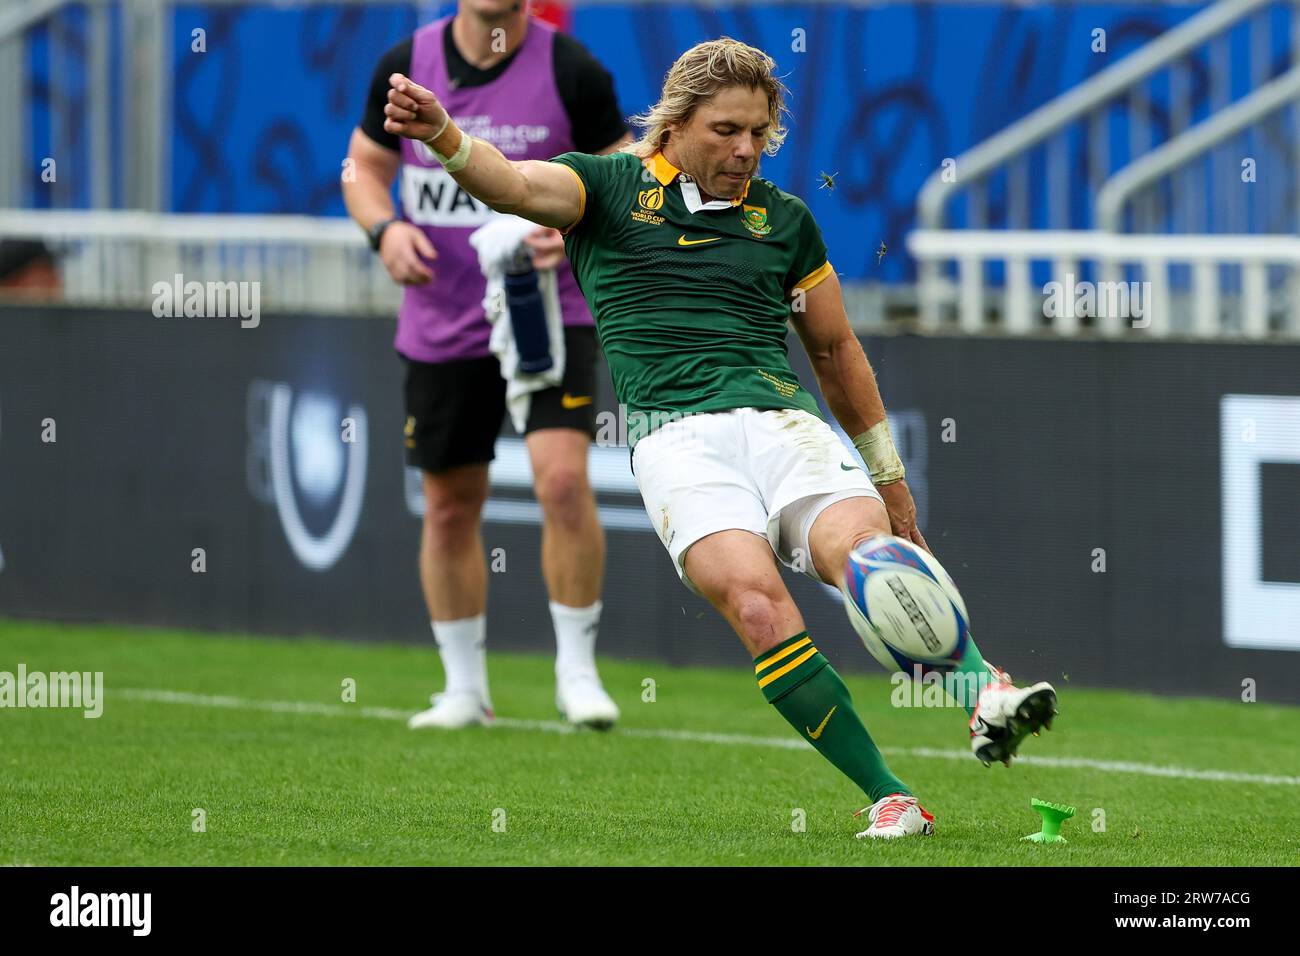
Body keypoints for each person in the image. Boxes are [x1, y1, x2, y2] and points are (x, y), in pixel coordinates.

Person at [380, 36, 1058, 839]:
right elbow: (514, 182)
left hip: (785, 428)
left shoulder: (785, 221)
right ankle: (891, 795)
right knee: (758, 605)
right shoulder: (604, 185)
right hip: (679, 443)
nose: (745, 150)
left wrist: (889, 478)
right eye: (726, 131)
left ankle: (986, 695)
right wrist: (445, 138)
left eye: (760, 133)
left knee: (873, 556)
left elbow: (837, 353)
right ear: (673, 124)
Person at [342, 0, 630, 730]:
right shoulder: (407, 64)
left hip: (548, 316)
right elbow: (361, 168)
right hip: (443, 321)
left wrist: (570, 229)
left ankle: (577, 673)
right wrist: (385, 229)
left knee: (563, 482)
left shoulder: (571, 68)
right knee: (447, 504)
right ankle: (464, 689)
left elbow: (625, 173)